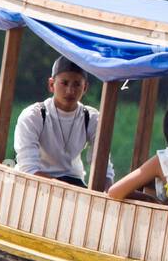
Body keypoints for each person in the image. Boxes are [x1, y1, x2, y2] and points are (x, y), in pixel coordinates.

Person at [13, 56, 114, 189]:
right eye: (64, 83)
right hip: (36, 181)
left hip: (74, 181)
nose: (70, 91)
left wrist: (108, 191)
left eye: (77, 84)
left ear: (85, 88)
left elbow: (103, 167)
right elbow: (28, 169)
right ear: (51, 84)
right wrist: (65, 189)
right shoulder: (33, 115)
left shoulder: (92, 118)